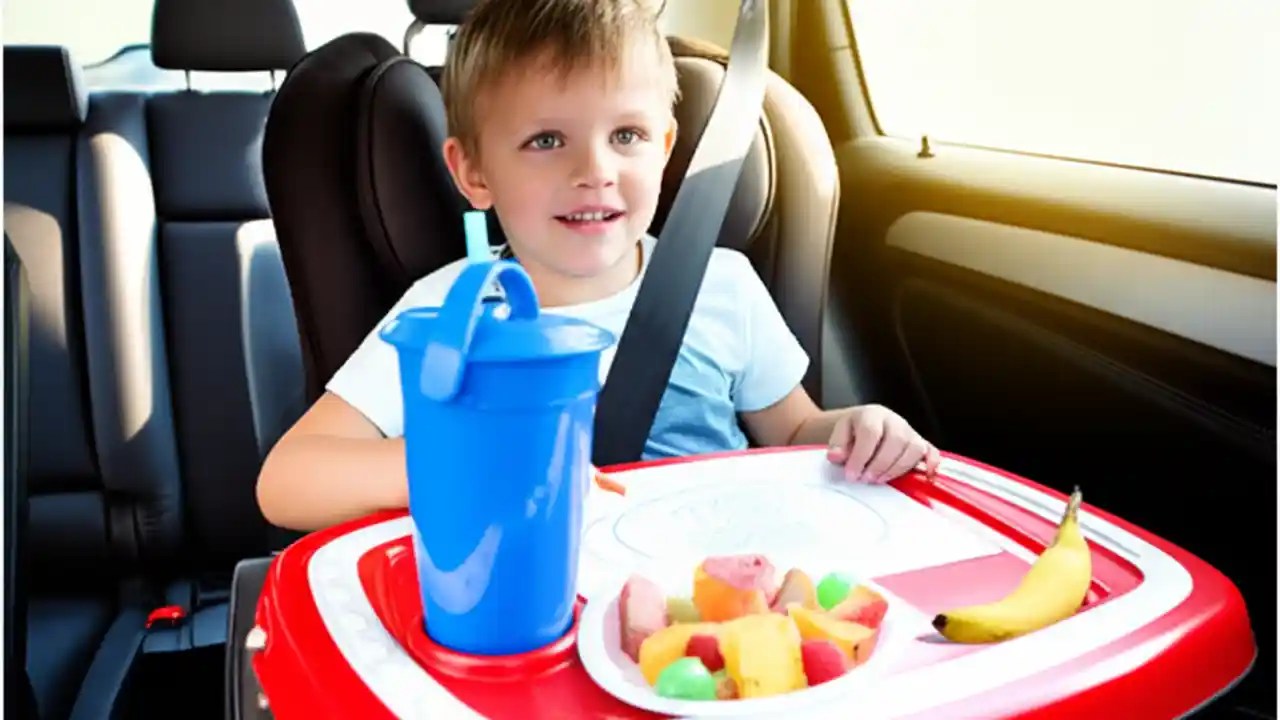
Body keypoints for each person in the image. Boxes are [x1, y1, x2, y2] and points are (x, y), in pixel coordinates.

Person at [256, 0, 940, 532]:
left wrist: (853, 430)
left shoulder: (720, 285)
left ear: (665, 147)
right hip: (530, 605)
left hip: (714, 592)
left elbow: (792, 431)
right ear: (474, 173)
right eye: (547, 140)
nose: (595, 171)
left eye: (627, 135)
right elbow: (288, 481)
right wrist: (461, 462)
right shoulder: (449, 310)